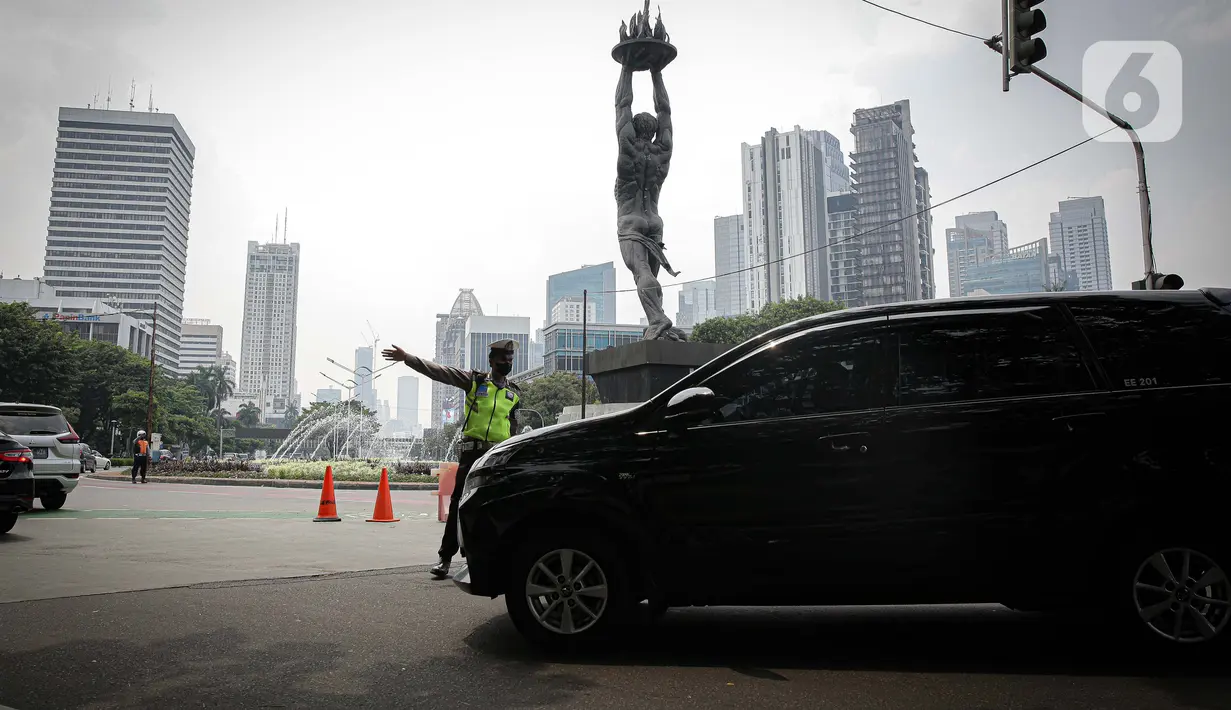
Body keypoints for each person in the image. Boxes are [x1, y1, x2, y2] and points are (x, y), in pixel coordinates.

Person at [382, 339, 522, 579]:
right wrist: (408, 358)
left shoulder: (514, 393)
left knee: (495, 507)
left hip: (497, 456)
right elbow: (441, 372)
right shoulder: (475, 381)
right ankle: (445, 558)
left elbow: (513, 427)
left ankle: (487, 558)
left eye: (510, 360)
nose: (507, 363)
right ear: (491, 361)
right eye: (502, 359)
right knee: (459, 504)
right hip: (473, 452)